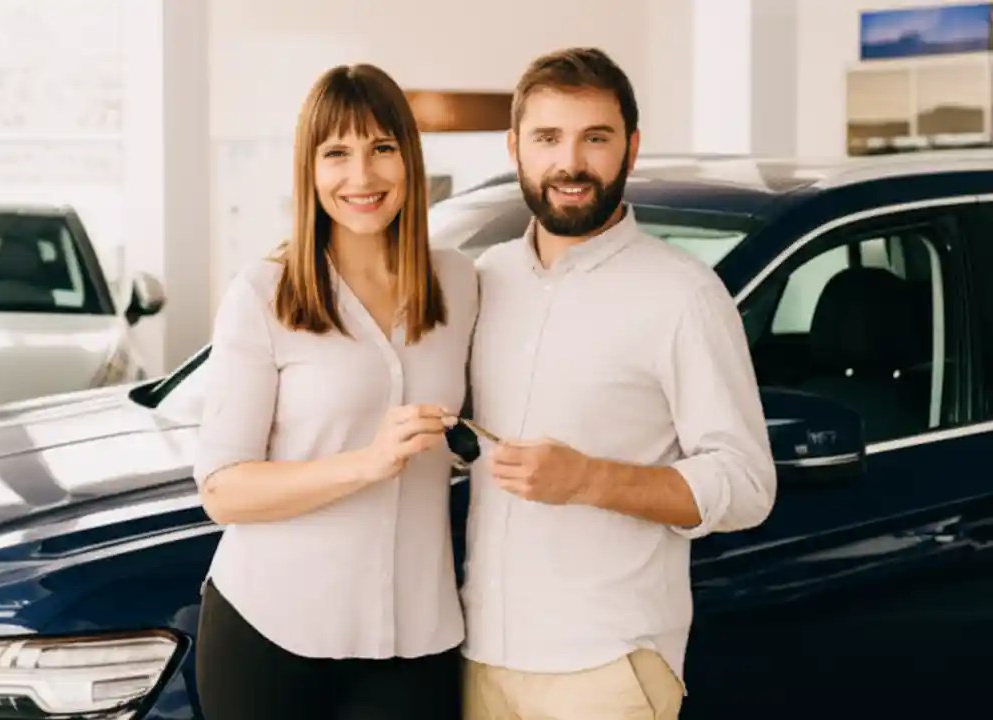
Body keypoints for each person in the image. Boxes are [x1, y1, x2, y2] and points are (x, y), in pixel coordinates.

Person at [460, 47, 777, 720]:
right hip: (477, 656)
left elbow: (748, 484)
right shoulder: (485, 278)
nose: (570, 163)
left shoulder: (684, 295)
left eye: (594, 138)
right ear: (515, 147)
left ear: (631, 149)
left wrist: (586, 479)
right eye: (548, 138)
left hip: (608, 666)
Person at [192, 62, 479, 720]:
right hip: (272, 634)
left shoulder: (461, 284)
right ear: (309, 169)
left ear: (409, 157)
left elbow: (483, 422)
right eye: (337, 153)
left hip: (417, 638)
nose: (362, 177)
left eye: (382, 148)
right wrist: (367, 464)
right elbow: (221, 488)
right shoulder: (262, 294)